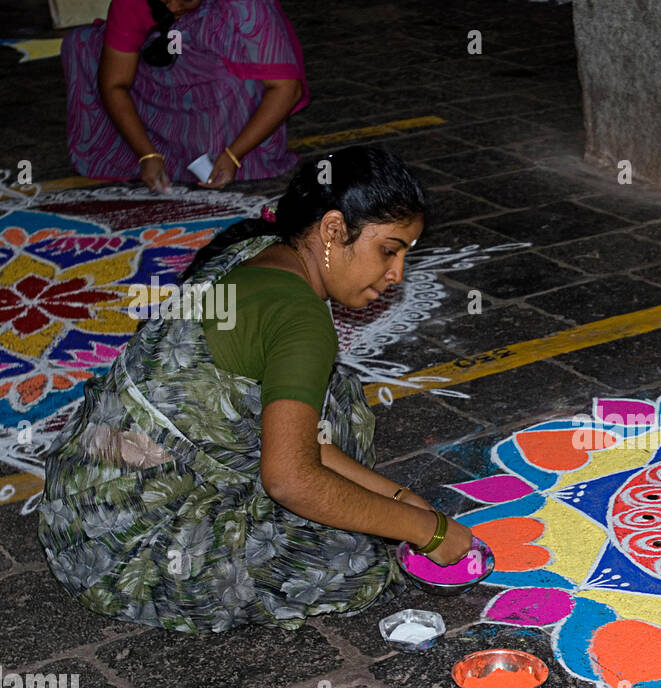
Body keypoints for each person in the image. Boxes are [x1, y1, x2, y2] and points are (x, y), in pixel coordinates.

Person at [38, 146, 475, 634]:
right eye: (388, 250)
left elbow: (295, 440)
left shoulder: (254, 250)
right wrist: (429, 532)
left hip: (79, 510)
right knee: (354, 550)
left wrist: (401, 498)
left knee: (343, 454)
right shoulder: (301, 321)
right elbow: (290, 480)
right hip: (129, 558)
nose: (396, 275)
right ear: (333, 230)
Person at [62, 0, 309, 192]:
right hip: (163, 75)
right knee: (81, 44)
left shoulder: (246, 7)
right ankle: (168, 147)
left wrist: (234, 155)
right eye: (164, 0)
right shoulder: (135, 4)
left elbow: (286, 89)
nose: (172, 7)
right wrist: (146, 153)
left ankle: (216, 142)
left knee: (211, 152)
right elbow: (115, 84)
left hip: (223, 83)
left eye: (184, 0)